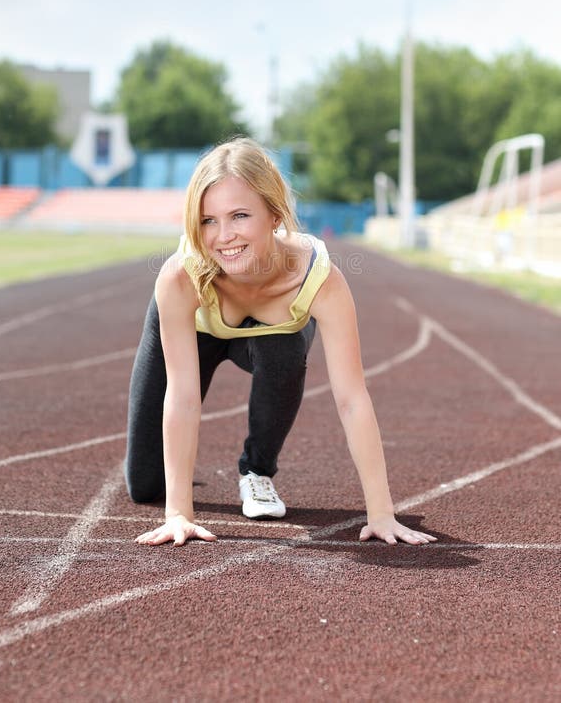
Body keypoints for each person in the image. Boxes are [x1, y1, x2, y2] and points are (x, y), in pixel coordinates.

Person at [126, 137, 436, 548]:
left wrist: (381, 513)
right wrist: (179, 514)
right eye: (208, 221)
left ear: (274, 214)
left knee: (285, 348)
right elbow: (183, 397)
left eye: (239, 216)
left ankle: (256, 471)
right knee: (145, 486)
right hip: (200, 331)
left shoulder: (317, 278)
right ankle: (170, 480)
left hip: (273, 340)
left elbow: (352, 399)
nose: (224, 236)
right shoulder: (180, 278)